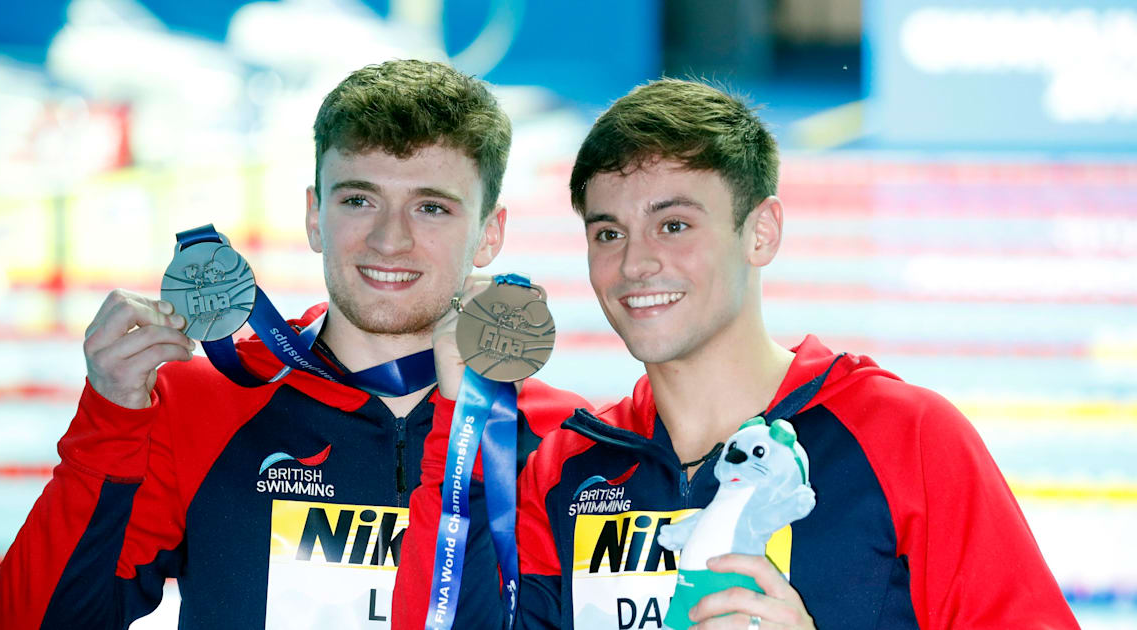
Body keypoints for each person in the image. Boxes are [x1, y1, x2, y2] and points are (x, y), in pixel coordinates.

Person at [401, 79, 1080, 629]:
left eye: (674, 225)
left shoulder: (904, 438)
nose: (636, 263)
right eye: (608, 233)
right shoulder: (568, 471)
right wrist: (463, 418)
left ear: (761, 234)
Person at [0, 59, 586, 630]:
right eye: (358, 199)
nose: (389, 239)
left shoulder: (559, 441)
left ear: (490, 234)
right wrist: (109, 420)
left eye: (431, 207)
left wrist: (465, 423)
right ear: (314, 216)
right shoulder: (200, 405)